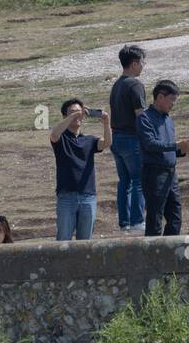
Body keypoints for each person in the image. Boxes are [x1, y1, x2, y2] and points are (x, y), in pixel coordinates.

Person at [136, 79, 189, 237]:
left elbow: (169, 149)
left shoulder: (168, 120)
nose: (173, 104)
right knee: (155, 219)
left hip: (171, 173)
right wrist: (177, 145)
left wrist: (183, 149)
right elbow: (151, 145)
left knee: (175, 218)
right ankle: (153, 257)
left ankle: (169, 254)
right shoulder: (144, 118)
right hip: (154, 174)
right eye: (171, 99)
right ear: (160, 97)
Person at [50, 98, 110, 241]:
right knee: (63, 240)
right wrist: (72, 116)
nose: (77, 115)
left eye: (79, 112)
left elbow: (107, 143)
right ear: (65, 117)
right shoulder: (62, 139)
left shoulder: (89, 140)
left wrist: (107, 123)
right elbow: (54, 135)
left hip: (88, 196)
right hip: (66, 197)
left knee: (85, 243)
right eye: (72, 112)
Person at [109, 45, 148, 234]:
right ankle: (137, 221)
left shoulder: (117, 84)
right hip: (132, 139)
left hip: (116, 138)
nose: (143, 65)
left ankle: (124, 223)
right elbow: (140, 115)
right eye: (142, 62)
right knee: (139, 180)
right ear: (134, 63)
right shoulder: (135, 84)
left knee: (124, 181)